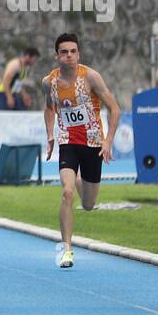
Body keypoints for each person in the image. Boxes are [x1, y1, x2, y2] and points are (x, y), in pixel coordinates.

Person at [42, 32, 121, 269]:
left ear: (78, 54)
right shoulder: (49, 82)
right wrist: (50, 134)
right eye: (64, 52)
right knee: (67, 193)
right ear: (57, 56)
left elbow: (114, 109)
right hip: (68, 143)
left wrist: (108, 141)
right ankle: (66, 250)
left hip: (93, 144)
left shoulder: (91, 77)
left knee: (88, 204)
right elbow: (49, 107)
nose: (69, 56)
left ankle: (78, 180)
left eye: (73, 52)